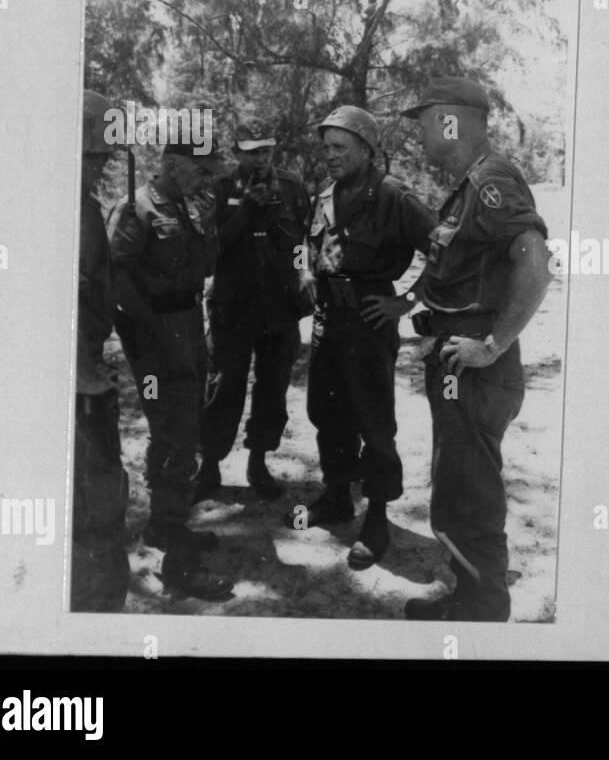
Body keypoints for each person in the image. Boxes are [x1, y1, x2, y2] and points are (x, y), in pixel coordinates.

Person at [399, 78, 552, 622]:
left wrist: (492, 344)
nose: (418, 131)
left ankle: (482, 615)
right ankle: (471, 596)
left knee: (470, 496)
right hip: (455, 362)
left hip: (475, 368)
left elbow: (535, 265)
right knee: (459, 489)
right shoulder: (469, 184)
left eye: (423, 119)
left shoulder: (491, 181)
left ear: (449, 121)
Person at [287, 105, 435, 572]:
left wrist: (406, 300)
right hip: (328, 320)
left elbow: (443, 249)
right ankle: (336, 495)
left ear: (367, 150)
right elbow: (305, 245)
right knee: (326, 412)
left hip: (369, 323)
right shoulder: (326, 194)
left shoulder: (393, 196)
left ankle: (376, 516)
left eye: (339, 147)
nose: (329, 156)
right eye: (326, 147)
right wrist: (305, 271)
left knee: (373, 421)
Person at [109, 136, 232, 599]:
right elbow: (116, 279)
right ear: (174, 164)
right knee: (176, 439)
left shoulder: (186, 206)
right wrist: (154, 339)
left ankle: (165, 524)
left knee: (183, 433)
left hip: (186, 329)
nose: (206, 179)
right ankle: (179, 564)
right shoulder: (136, 209)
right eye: (201, 170)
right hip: (156, 341)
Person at [196, 116, 313, 502]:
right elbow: (210, 249)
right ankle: (209, 464)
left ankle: (258, 461)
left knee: (272, 387)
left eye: (265, 151)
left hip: (278, 307)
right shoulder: (220, 187)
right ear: (236, 153)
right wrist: (244, 210)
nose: (260, 159)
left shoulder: (293, 186)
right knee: (223, 385)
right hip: (233, 306)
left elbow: (301, 243)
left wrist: (302, 275)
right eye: (251, 153)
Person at [72, 90, 131, 612]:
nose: (104, 163)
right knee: (96, 511)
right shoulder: (59, 208)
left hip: (84, 367)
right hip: (75, 387)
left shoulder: (80, 205)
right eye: (97, 154)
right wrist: (81, 371)